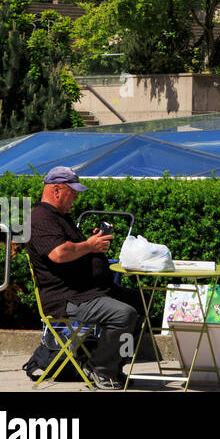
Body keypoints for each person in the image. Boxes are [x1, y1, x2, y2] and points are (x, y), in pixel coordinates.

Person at [26, 167, 145, 390]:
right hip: (68, 297)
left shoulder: (61, 218)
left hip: (89, 291)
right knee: (124, 314)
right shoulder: (40, 219)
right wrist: (90, 245)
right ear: (57, 190)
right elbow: (59, 253)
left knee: (141, 304)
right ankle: (100, 368)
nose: (76, 197)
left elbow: (75, 249)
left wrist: (90, 244)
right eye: (74, 192)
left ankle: (116, 364)